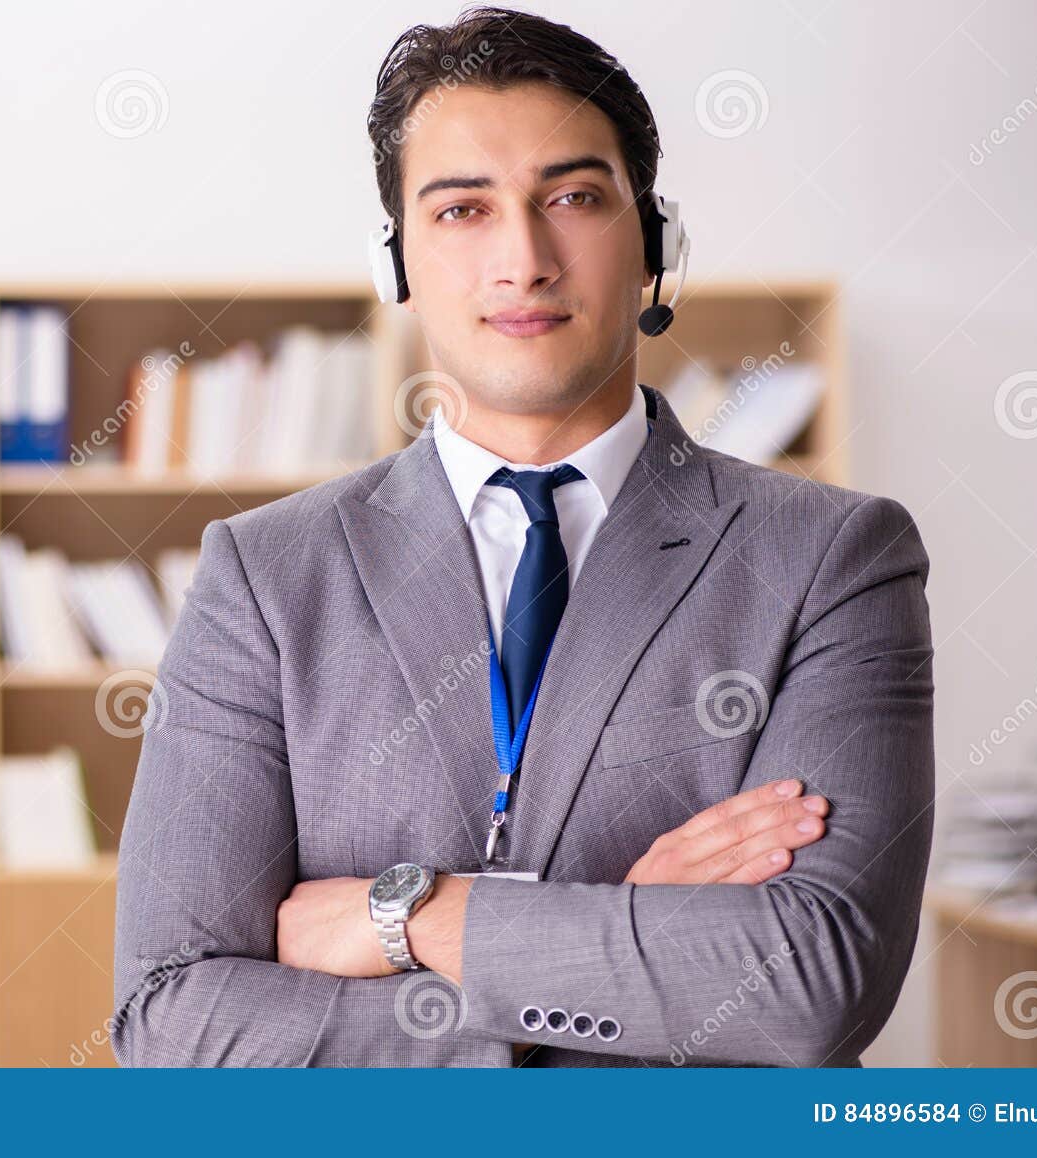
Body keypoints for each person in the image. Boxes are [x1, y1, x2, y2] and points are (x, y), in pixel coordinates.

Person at [111, 5, 933, 1067]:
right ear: (394, 263)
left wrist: (406, 917)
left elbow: (809, 983)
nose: (524, 258)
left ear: (656, 240)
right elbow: (172, 1021)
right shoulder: (266, 576)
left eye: (575, 197)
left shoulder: (830, 557)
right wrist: (604, 970)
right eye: (461, 211)